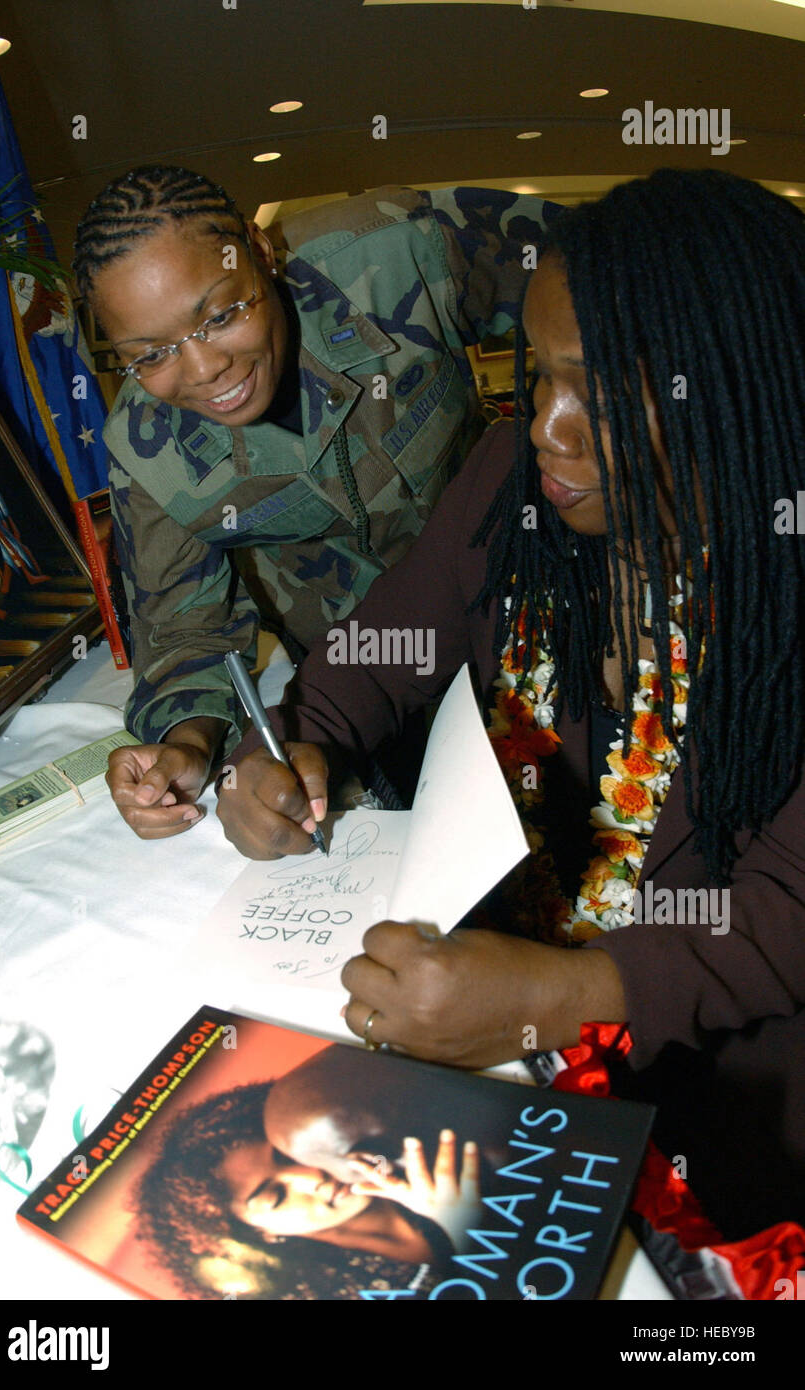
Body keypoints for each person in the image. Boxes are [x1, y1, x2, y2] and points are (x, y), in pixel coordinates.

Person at [216, 168, 805, 1243]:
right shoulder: (511, 481)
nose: (546, 427)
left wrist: (558, 995)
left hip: (715, 1086)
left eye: (595, 394)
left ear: (727, 393)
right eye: (537, 381)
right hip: (488, 969)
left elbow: (782, 917)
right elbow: (379, 651)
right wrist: (297, 746)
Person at [71, 166, 555, 838]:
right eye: (149, 354)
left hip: (538, 630)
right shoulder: (144, 450)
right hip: (362, 696)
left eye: (220, 315)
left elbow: (612, 280)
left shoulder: (394, 251)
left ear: (258, 252)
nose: (202, 368)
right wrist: (186, 745)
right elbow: (187, 635)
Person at [136, 1076, 481, 1299]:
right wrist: (462, 1231)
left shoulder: (417, 1157)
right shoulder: (314, 1293)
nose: (312, 1177)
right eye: (275, 1196)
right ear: (259, 1234)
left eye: (287, 1154)